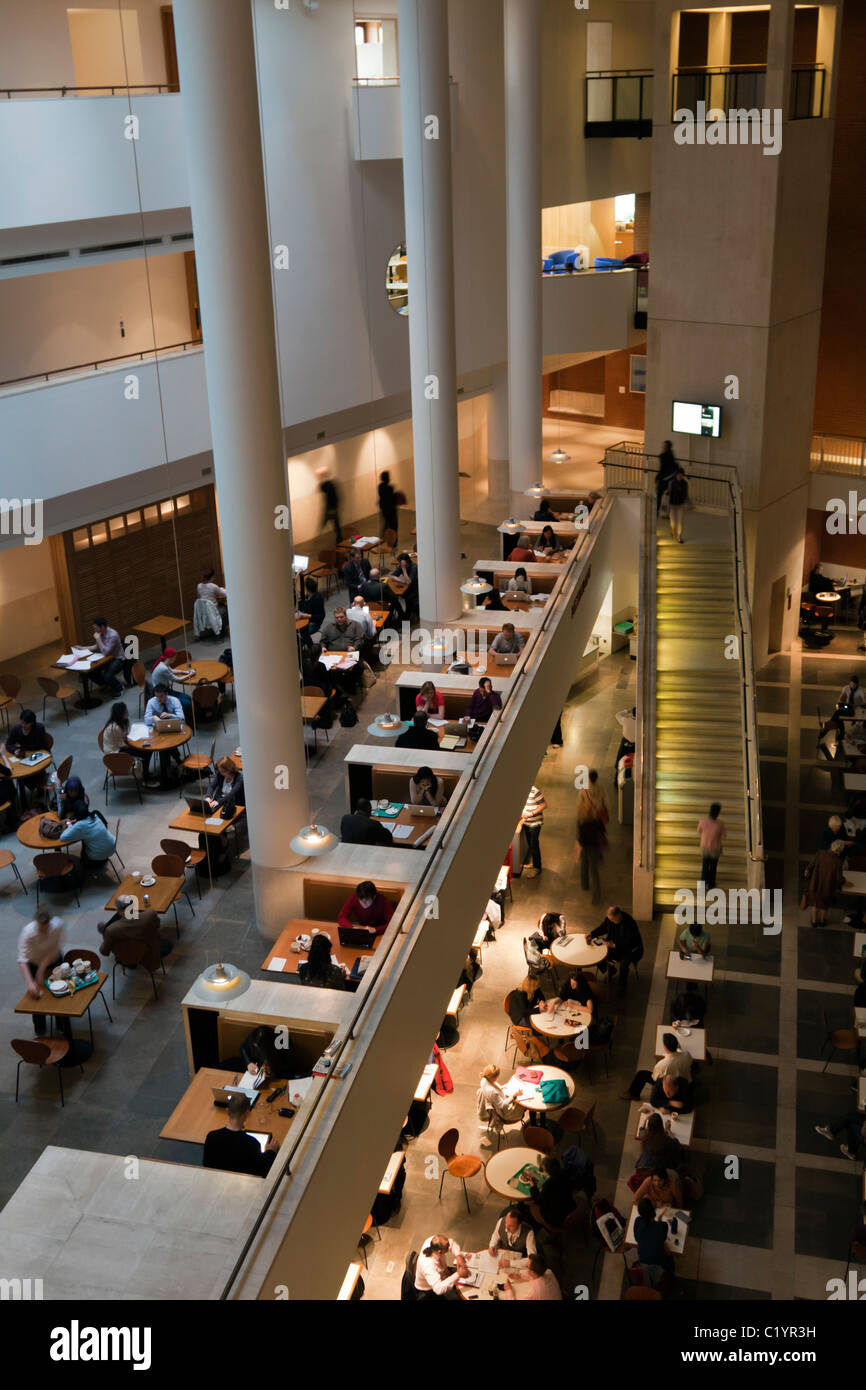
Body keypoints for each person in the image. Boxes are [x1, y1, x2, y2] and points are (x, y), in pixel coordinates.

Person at [17, 908, 68, 1038]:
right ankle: (40, 1029)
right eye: (41, 929)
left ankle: (62, 1024)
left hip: (53, 962)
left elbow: (56, 949)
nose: (44, 932)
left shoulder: (57, 926)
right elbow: (22, 959)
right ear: (36, 923)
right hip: (33, 963)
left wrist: (43, 968)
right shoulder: (27, 932)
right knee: (37, 995)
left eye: (46, 928)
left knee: (60, 991)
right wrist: (30, 983)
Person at [203, 1093, 279, 1176]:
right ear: (247, 1113)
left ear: (227, 1111)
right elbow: (262, 1171)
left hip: (214, 1181)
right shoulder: (251, 1143)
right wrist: (270, 1152)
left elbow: (206, 1165)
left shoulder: (211, 1136)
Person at [624, 1032, 692, 1101]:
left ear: (665, 1047)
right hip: (684, 1082)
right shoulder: (687, 1055)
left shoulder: (662, 1064)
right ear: (677, 1045)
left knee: (642, 1074)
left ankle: (633, 1094)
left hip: (670, 1086)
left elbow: (655, 1078)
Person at [98, 904, 170, 967]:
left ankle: (130, 963)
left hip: (126, 957)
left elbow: (104, 951)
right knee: (168, 944)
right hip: (148, 953)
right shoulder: (150, 914)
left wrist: (106, 936)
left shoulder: (111, 930)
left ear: (118, 910)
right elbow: (157, 926)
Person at [59, 802, 116, 877]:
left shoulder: (80, 825)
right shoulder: (95, 816)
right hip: (112, 848)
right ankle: (100, 861)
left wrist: (69, 824)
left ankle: (86, 865)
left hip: (98, 855)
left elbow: (63, 838)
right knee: (89, 839)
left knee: (85, 842)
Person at [590, 906, 644, 981]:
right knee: (597, 955)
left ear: (618, 915)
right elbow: (603, 927)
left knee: (623, 967)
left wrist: (614, 945)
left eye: (612, 919)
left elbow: (630, 941)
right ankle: (610, 970)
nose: (611, 921)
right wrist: (591, 934)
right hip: (614, 946)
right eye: (610, 919)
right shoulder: (610, 919)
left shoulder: (629, 923)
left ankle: (622, 988)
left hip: (630, 950)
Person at [804, 838, 848, 926]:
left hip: (815, 884)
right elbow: (839, 879)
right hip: (827, 888)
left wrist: (807, 871)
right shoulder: (838, 862)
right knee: (824, 904)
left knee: (815, 903)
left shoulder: (820, 853)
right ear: (840, 850)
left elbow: (811, 865)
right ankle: (822, 921)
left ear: (832, 846)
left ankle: (814, 921)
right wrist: (845, 881)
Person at [634, 1198, 674, 1289]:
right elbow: (662, 1239)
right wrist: (660, 1219)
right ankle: (670, 1275)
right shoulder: (662, 1226)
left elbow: (636, 1238)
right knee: (670, 1256)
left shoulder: (637, 1221)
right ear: (653, 1211)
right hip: (658, 1261)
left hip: (643, 1260)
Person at [529, 1155, 578, 1229]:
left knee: (532, 1206)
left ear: (548, 1172)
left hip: (555, 1219)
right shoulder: (566, 1174)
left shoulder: (548, 1185)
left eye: (544, 1169)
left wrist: (533, 1186)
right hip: (569, 1208)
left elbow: (538, 1201)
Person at [414, 1234, 468, 1299]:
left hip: (444, 1273)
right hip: (430, 1289)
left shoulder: (433, 1241)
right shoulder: (428, 1266)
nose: (450, 1246)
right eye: (448, 1246)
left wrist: (458, 1256)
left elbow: (451, 1242)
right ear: (440, 1252)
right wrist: (459, 1274)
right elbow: (438, 1289)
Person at [478, 1065, 525, 1134]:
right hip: (504, 1113)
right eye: (497, 1076)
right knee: (524, 1103)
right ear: (493, 1077)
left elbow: (494, 1091)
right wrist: (514, 1095)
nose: (498, 1078)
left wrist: (501, 1088)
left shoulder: (484, 1080)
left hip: (497, 1101)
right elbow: (502, 1106)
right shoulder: (492, 1092)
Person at [149, 648, 193, 721]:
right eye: (175, 657)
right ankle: (186, 719)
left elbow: (172, 671)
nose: (175, 659)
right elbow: (177, 680)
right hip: (163, 693)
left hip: (164, 689)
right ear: (170, 657)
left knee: (188, 697)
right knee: (187, 703)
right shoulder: (163, 668)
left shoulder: (163, 663)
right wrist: (190, 674)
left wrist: (185, 672)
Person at [89, 615, 126, 695]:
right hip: (106, 658)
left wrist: (98, 639)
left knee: (107, 675)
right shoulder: (100, 633)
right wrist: (82, 648)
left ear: (102, 627)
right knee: (90, 672)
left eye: (95, 628)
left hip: (118, 659)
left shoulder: (113, 635)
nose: (94, 631)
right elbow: (97, 646)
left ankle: (119, 688)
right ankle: (107, 684)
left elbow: (105, 652)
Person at [576, 815, 606, 905]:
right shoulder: (598, 820)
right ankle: (596, 896)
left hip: (585, 847)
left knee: (584, 865)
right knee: (594, 872)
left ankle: (584, 885)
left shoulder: (581, 820)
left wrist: (577, 853)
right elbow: (602, 832)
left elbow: (580, 838)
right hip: (594, 848)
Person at [518, 784, 546, 878]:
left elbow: (544, 804)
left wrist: (532, 813)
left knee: (534, 845)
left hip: (535, 823)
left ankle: (537, 868)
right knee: (530, 844)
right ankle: (534, 863)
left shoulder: (534, 791)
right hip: (526, 822)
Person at [697, 802, 726, 889]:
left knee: (705, 866)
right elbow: (724, 836)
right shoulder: (720, 824)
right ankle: (711, 884)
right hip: (716, 848)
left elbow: (699, 831)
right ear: (718, 812)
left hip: (705, 847)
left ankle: (702, 885)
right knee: (713, 868)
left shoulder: (702, 821)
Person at [389, 553, 419, 621]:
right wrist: (402, 581)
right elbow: (392, 576)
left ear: (406, 562)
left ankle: (411, 616)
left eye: (400, 563)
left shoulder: (414, 567)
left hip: (415, 590)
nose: (399, 565)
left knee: (410, 605)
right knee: (397, 600)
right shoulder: (401, 566)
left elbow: (409, 582)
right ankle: (406, 617)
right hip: (407, 589)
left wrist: (404, 569)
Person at [656, 440, 677, 515]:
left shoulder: (664, 456)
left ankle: (657, 510)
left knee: (659, 495)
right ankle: (667, 512)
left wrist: (658, 477)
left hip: (664, 479)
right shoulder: (671, 455)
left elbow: (663, 468)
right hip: (670, 478)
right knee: (668, 496)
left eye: (664, 445)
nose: (662, 446)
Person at [318, 474, 341, 542]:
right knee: (336, 523)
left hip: (331, 508)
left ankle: (339, 538)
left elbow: (322, 488)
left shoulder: (329, 486)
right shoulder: (331, 485)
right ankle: (339, 537)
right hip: (332, 508)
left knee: (331, 522)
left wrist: (333, 509)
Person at [668, 468, 688, 543]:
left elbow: (685, 494)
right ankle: (672, 530)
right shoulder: (672, 482)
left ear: (683, 475)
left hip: (680, 505)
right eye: (678, 474)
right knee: (672, 522)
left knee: (680, 522)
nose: (679, 476)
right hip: (672, 505)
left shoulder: (684, 483)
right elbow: (669, 492)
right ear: (676, 475)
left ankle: (679, 537)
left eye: (681, 475)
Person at [378, 470, 399, 536]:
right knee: (393, 525)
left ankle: (383, 535)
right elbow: (392, 499)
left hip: (384, 509)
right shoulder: (390, 488)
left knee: (387, 523)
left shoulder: (380, 486)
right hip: (391, 510)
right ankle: (393, 540)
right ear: (387, 478)